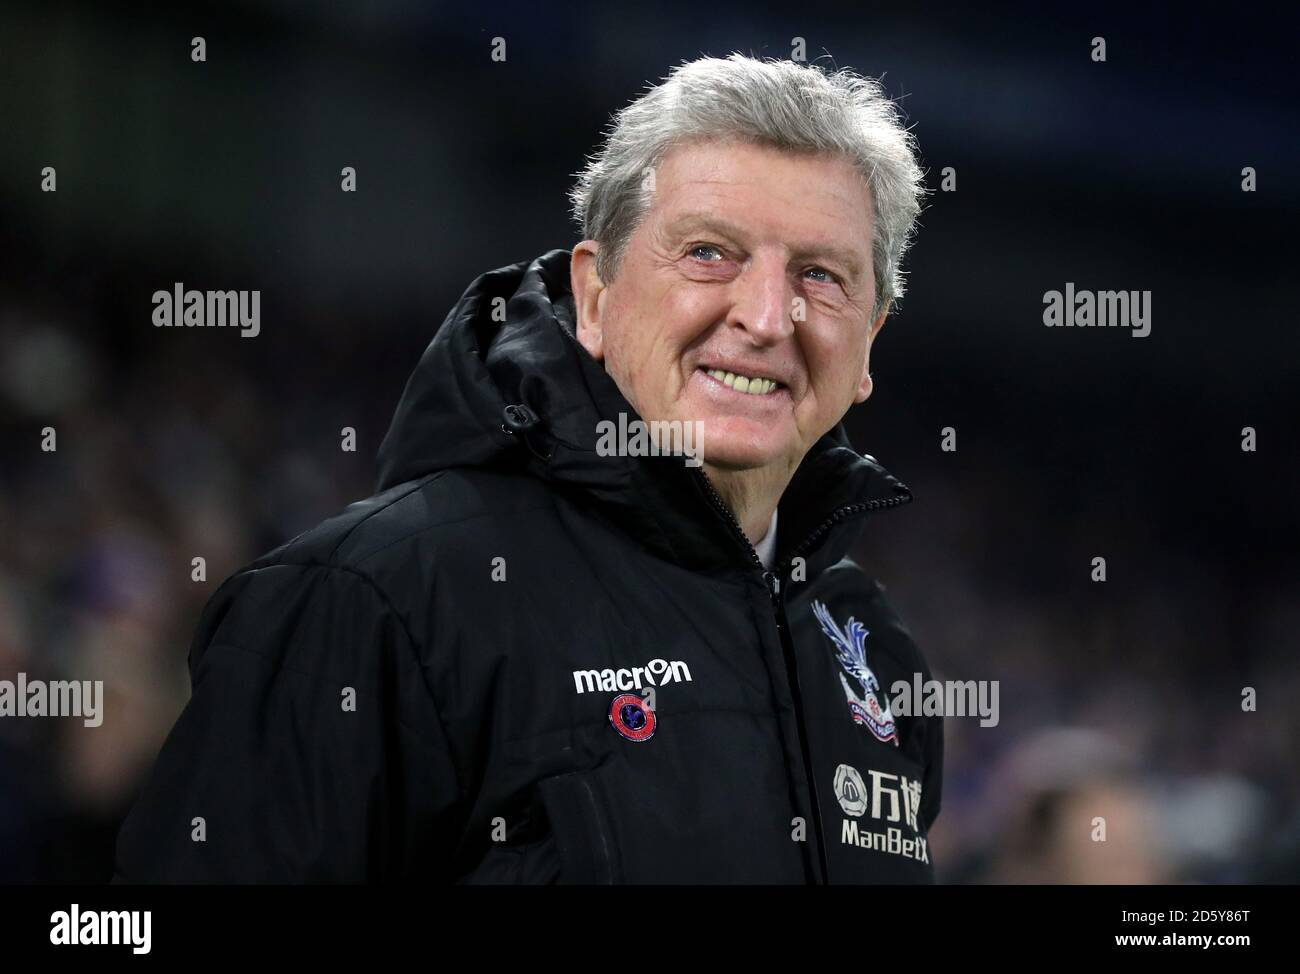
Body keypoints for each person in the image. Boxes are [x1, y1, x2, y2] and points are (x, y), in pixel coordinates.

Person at [114, 53, 941, 884]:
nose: (766, 317)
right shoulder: (371, 600)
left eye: (821, 276)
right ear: (594, 294)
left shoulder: (872, 648)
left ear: (870, 336)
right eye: (709, 253)